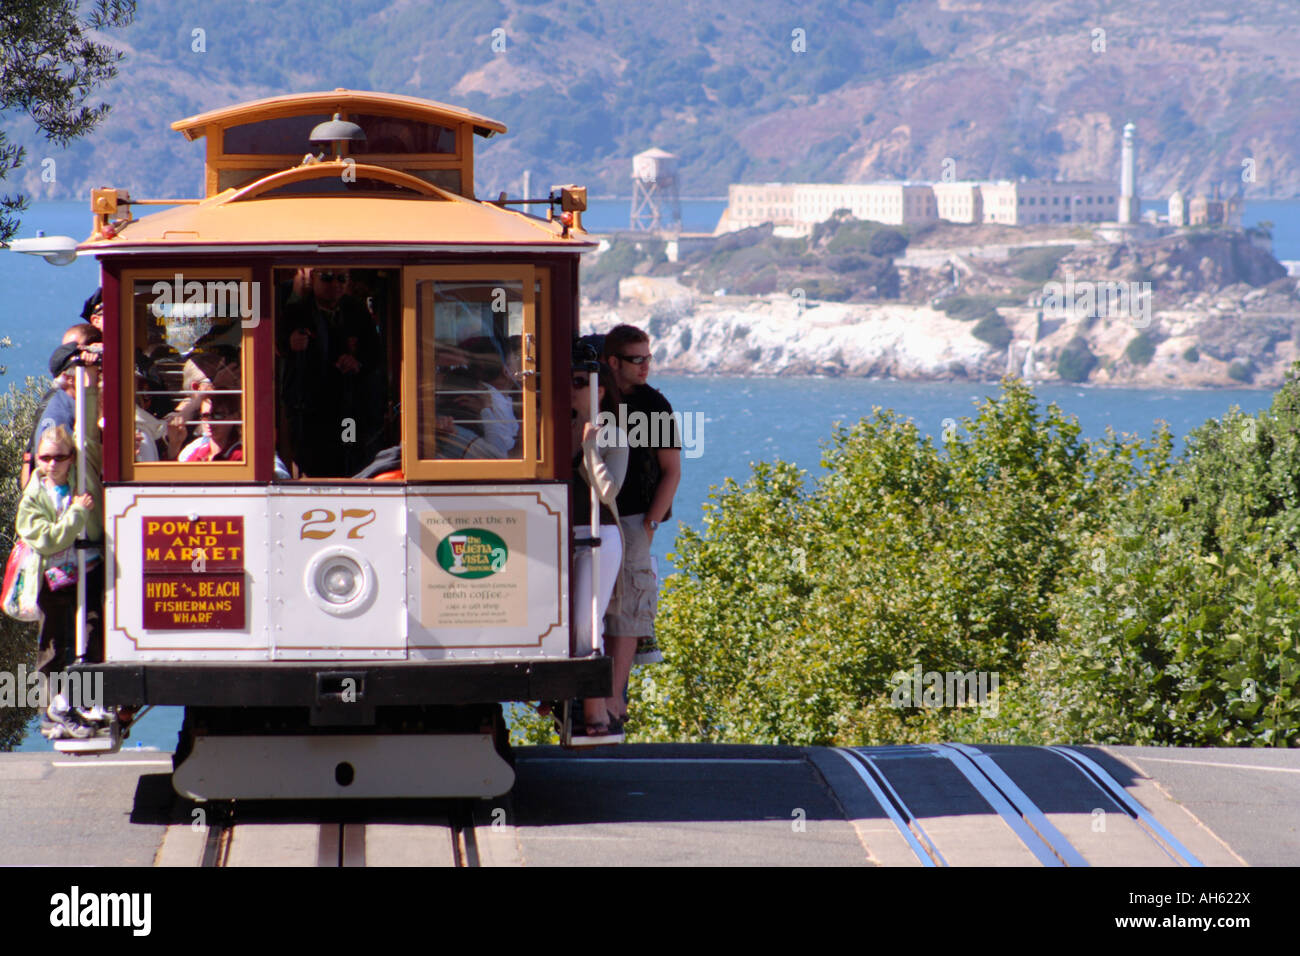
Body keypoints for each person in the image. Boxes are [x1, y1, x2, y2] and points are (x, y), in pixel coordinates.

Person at [603, 324, 681, 701]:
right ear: (613, 361)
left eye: (648, 358)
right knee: (594, 605)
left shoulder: (654, 404)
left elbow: (672, 470)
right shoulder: (594, 398)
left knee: (630, 609)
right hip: (592, 516)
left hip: (634, 518)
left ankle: (616, 697)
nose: (645, 366)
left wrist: (650, 523)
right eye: (637, 360)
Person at [15, 425, 106, 739]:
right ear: (37, 458)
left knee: (91, 635)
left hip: (87, 570)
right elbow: (48, 539)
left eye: (59, 457)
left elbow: (90, 445)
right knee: (54, 646)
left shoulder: (81, 481)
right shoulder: (34, 498)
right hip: (52, 579)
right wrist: (77, 514)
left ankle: (81, 702)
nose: (52, 464)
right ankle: (51, 712)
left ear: (71, 458)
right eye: (45, 457)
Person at [569, 358, 628, 744]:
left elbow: (608, 491)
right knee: (563, 623)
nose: (569, 388)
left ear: (598, 389)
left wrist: (589, 447)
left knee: (587, 622)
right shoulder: (559, 426)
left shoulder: (615, 434)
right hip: (562, 530)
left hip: (600, 533)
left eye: (577, 381)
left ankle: (595, 711)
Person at [278, 268, 383, 476]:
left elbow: (375, 353)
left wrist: (357, 362)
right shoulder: (296, 311)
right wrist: (290, 344)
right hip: (309, 408)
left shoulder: (357, 311)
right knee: (312, 460)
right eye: (326, 277)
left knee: (350, 452)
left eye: (341, 278)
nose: (335, 283)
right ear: (313, 280)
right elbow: (274, 345)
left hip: (348, 407)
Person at [20, 325, 102, 489]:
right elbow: (54, 466)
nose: (98, 376)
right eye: (93, 372)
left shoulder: (73, 403)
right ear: (69, 378)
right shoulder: (58, 413)